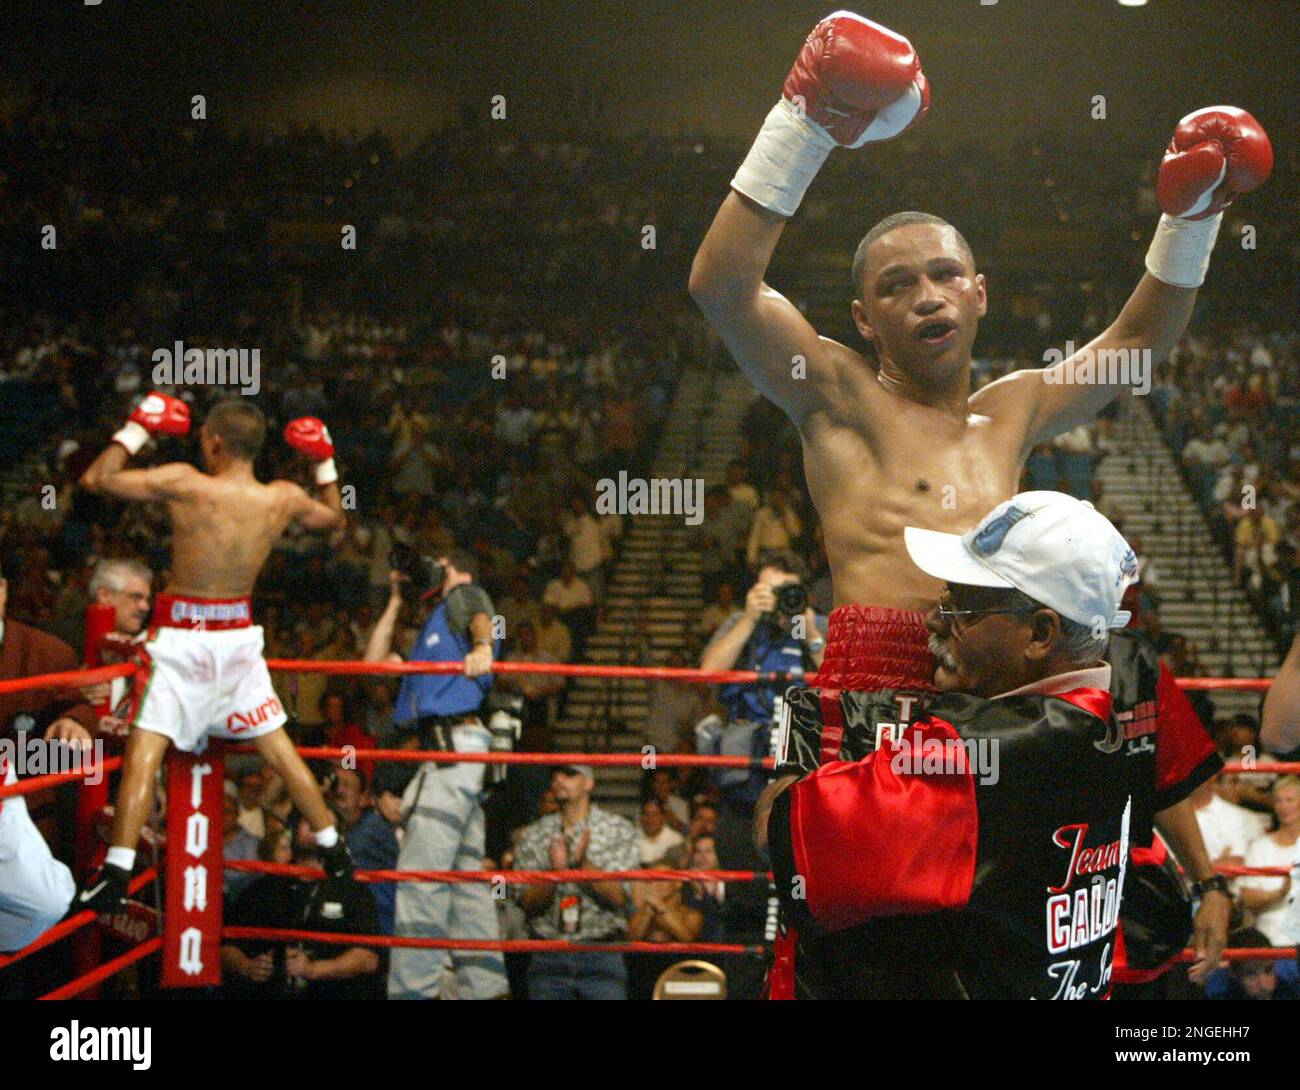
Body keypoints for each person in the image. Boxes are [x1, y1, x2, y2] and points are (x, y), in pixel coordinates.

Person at [690, 10, 1265, 987]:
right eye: (897, 282)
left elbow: (1140, 347)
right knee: (853, 950)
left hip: (1006, 690)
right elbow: (722, 284)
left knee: (1013, 945)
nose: (927, 293)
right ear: (865, 316)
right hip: (874, 681)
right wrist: (807, 119)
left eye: (944, 272)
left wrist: (1190, 215)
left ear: (980, 293)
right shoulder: (835, 391)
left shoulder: (1012, 409)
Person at [760, 493, 1138, 998]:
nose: (935, 623)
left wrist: (805, 744)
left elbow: (777, 834)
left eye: (962, 608)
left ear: (1041, 634)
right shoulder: (1108, 724)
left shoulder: (976, 751)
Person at [75, 394, 353, 912]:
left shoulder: (184, 482)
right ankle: (338, 856)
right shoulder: (283, 498)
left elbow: (97, 478)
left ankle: (114, 874)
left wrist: (139, 428)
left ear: (215, 441)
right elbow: (336, 518)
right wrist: (323, 461)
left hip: (181, 638)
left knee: (144, 750)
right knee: (278, 748)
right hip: (238, 638)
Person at [364, 553, 509, 1000]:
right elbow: (372, 665)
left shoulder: (463, 598)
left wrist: (484, 649)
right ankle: (487, 989)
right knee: (465, 883)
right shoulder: (434, 631)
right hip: (452, 755)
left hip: (452, 752)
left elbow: (480, 615)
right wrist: (395, 601)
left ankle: (414, 992)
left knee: (419, 877)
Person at [0, 562, 101, 951]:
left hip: (25, 805)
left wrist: (74, 721)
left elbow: (79, 704)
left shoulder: (46, 651)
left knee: (46, 904)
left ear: (5, 590)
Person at [513, 765, 638, 1000]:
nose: (559, 779)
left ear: (589, 783)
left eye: (570, 774)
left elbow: (621, 896)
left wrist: (582, 866)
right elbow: (526, 902)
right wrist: (555, 874)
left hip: (602, 954)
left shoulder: (619, 830)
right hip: (548, 956)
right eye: (556, 774)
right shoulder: (533, 834)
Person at [1239, 777, 1300, 946]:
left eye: (1289, 800)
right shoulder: (1259, 847)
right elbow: (1247, 899)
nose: (1283, 806)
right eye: (1279, 801)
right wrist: (1279, 894)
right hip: (1269, 942)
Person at [1203, 928, 1300, 1001]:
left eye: (1268, 970)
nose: (1264, 986)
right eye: (1251, 974)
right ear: (1233, 973)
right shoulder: (1219, 994)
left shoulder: (1289, 990)